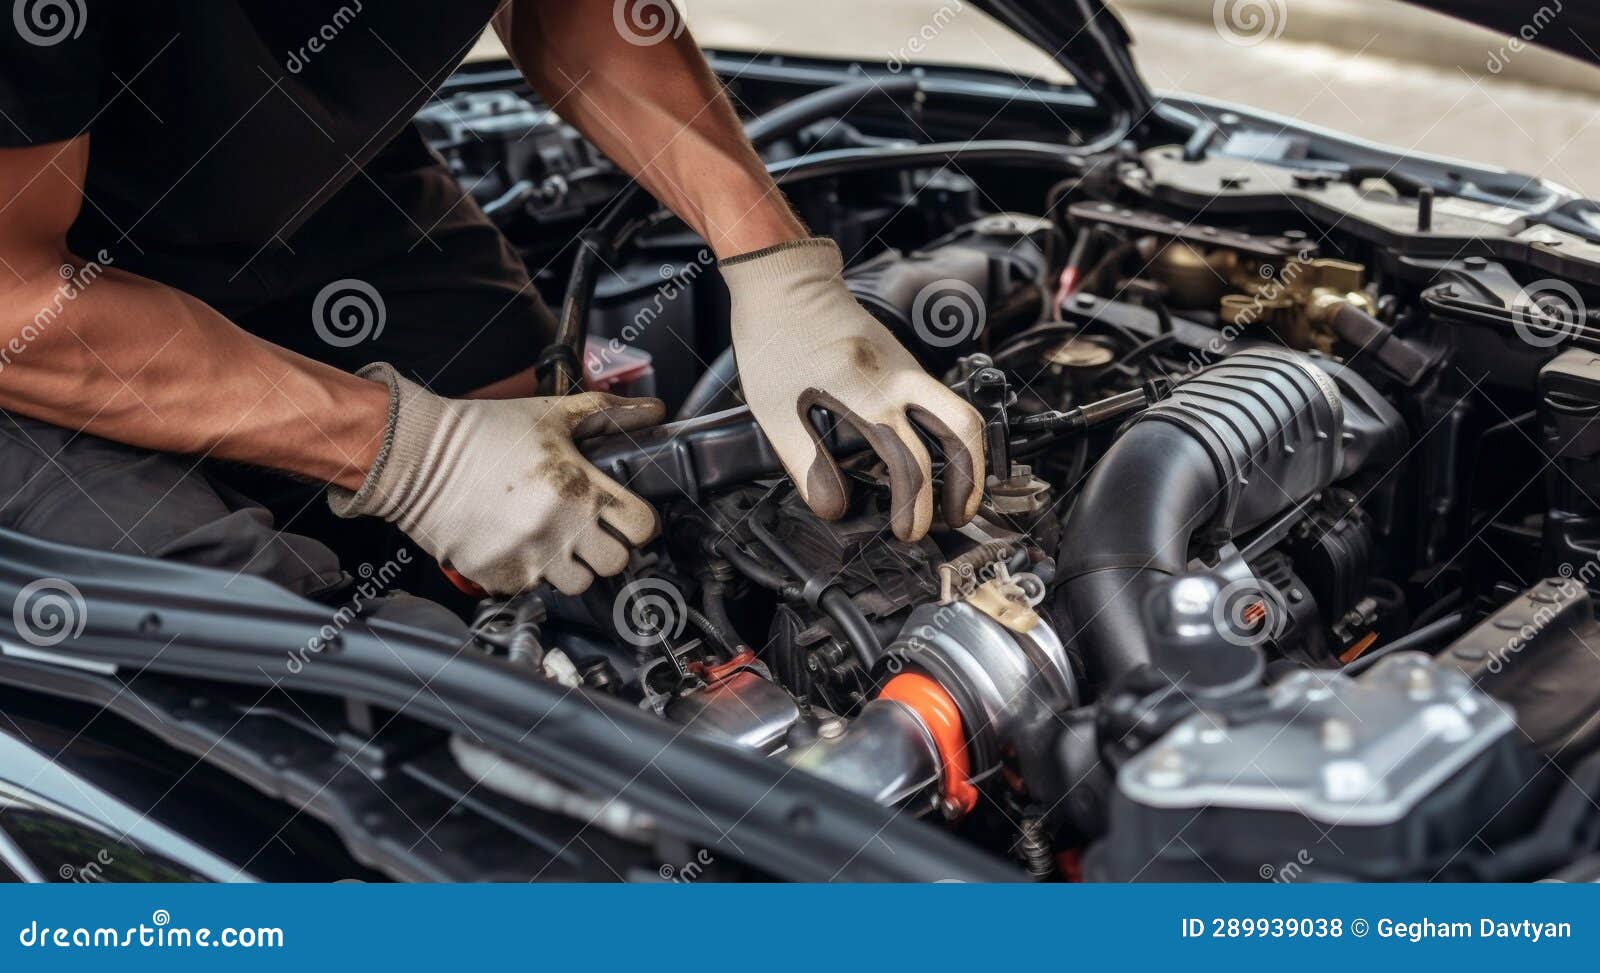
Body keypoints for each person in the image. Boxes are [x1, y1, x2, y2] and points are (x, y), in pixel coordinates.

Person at [0, 2, 984, 604]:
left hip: (293, 177)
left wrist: (774, 268)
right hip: (35, 300)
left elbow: (572, 11)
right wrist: (412, 456)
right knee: (258, 629)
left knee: (557, 445)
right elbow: (15, 297)